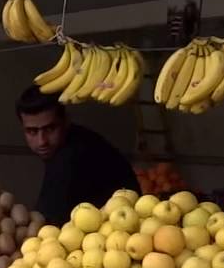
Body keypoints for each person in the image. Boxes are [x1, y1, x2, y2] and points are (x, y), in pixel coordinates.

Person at [16, 86, 138, 224]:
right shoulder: (71, 143)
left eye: (50, 129)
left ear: (66, 121)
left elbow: (47, 222)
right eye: (32, 131)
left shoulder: (72, 155)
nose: (42, 141)